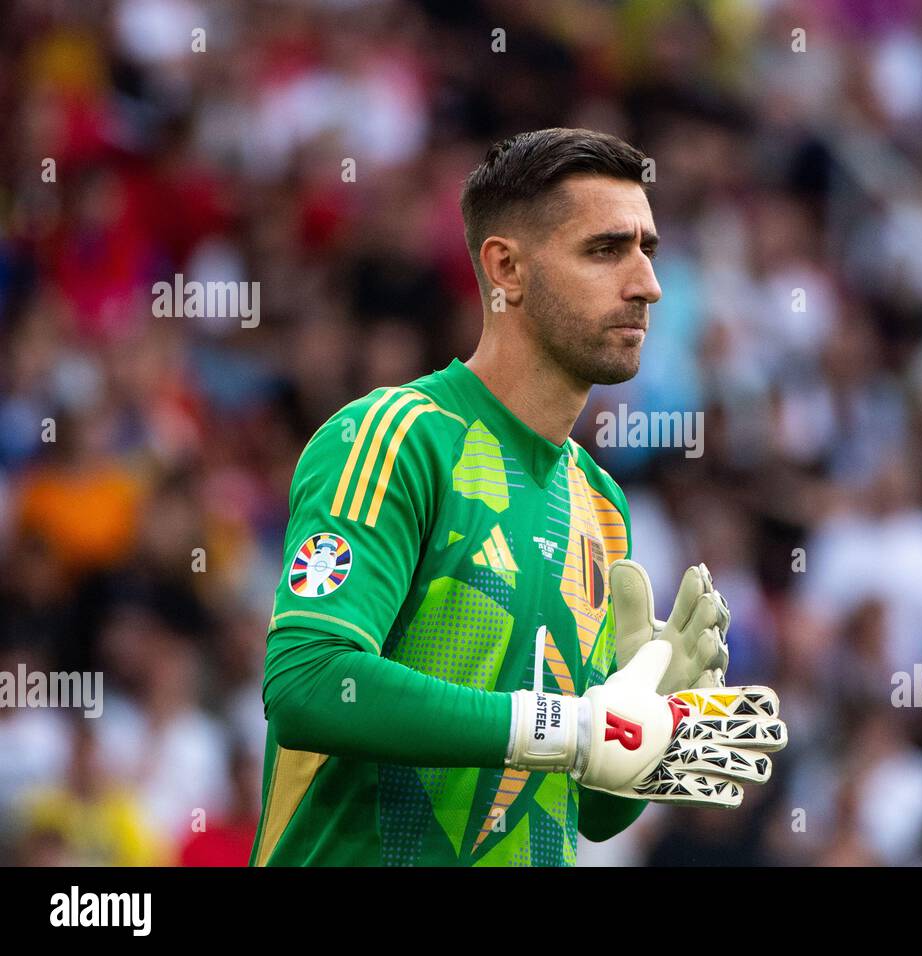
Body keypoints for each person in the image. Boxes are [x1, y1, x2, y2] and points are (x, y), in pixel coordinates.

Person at [250, 128, 788, 866]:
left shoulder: (601, 502)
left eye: (648, 251)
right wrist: (567, 726)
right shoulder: (396, 438)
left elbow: (590, 811)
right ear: (506, 268)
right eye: (605, 251)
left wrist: (648, 730)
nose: (646, 284)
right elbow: (309, 682)